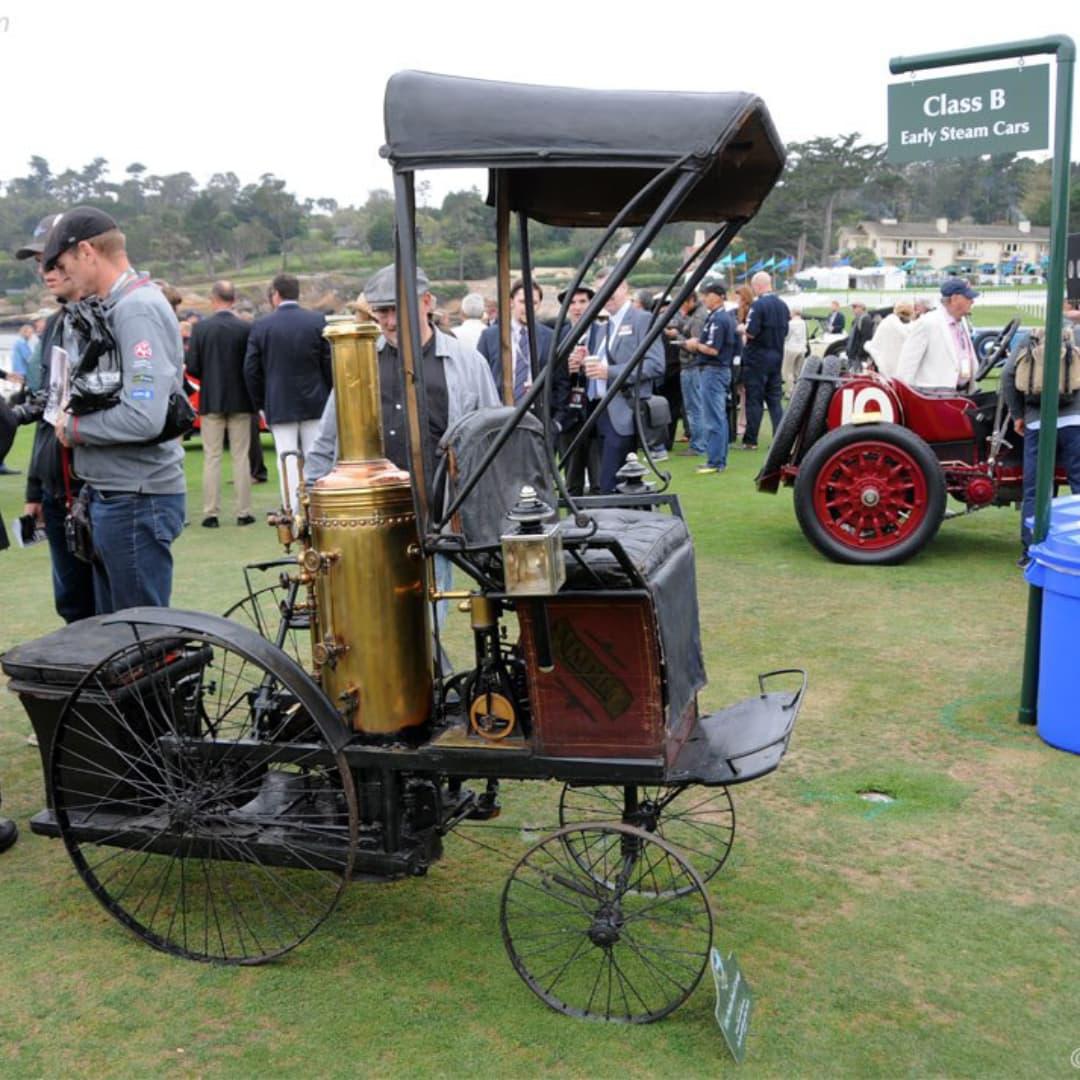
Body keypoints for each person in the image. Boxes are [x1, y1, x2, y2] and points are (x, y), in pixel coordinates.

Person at [305, 264, 498, 623]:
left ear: (427, 302)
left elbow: (493, 439)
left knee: (427, 626)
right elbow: (326, 442)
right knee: (374, 627)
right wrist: (310, 503)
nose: (390, 321)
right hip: (370, 520)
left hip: (437, 517)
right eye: (382, 312)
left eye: (397, 309)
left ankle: (434, 675)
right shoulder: (358, 366)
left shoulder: (467, 363)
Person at [43, 206, 186, 614]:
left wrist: (74, 428)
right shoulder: (114, 305)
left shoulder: (135, 308)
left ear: (87, 251)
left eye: (64, 263)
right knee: (121, 642)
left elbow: (144, 416)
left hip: (136, 497)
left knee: (141, 643)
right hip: (118, 494)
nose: (62, 274)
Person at [16, 212, 96, 623]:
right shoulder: (53, 326)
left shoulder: (109, 318)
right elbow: (45, 409)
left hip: (95, 487)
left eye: (51, 259)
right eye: (38, 263)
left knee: (113, 608)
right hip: (56, 489)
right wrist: (35, 489)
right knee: (72, 606)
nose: (44, 271)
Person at [243, 273, 332, 515]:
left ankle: (292, 510)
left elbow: (251, 369)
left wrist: (260, 402)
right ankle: (319, 508)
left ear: (276, 295)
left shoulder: (262, 325)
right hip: (315, 400)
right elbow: (328, 362)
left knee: (287, 458)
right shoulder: (316, 320)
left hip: (279, 401)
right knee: (317, 455)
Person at [571, 272, 665, 493]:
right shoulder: (602, 328)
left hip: (624, 413)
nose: (608, 294)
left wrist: (609, 372)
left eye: (612, 288)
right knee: (602, 483)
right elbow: (595, 370)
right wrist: (581, 362)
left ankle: (618, 524)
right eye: (602, 290)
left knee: (611, 485)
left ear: (625, 288)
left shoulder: (642, 320)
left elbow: (655, 364)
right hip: (596, 412)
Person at [1004, 300, 1080, 565]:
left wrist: (1017, 416)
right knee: (1078, 487)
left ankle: (1030, 553)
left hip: (1037, 422)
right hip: (1075, 422)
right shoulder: (1078, 335)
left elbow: (1008, 376)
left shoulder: (1031, 336)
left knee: (1036, 491)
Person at [187, 281, 256, 528]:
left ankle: (211, 513)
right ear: (234, 299)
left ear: (213, 298)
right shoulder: (245, 328)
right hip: (240, 398)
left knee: (212, 456)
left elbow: (193, 366)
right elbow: (251, 364)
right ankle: (243, 511)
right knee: (241, 456)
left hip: (212, 398)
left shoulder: (201, 329)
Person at [477, 279, 565, 424]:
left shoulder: (550, 337)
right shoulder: (490, 336)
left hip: (536, 416)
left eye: (534, 303)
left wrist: (556, 423)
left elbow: (561, 381)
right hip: (497, 414)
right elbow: (479, 378)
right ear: (511, 302)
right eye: (523, 302)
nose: (529, 307)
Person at [684, 282, 736, 474]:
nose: (704, 298)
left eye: (708, 295)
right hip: (718, 370)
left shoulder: (718, 319)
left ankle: (715, 461)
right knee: (718, 417)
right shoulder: (723, 317)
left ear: (719, 296)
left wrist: (695, 344)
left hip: (713, 371)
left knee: (713, 418)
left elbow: (713, 349)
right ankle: (718, 459)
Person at [895, 279, 979, 392]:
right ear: (954, 299)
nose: (972, 301)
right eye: (968, 298)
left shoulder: (962, 321)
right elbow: (906, 367)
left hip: (963, 394)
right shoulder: (927, 323)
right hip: (935, 397)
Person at [556, 284, 599, 495]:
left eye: (582, 301)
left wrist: (589, 362)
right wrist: (566, 368)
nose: (577, 307)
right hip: (568, 412)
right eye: (571, 303)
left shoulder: (602, 332)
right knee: (572, 480)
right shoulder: (557, 335)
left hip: (596, 411)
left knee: (599, 478)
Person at [740, 271, 789, 450]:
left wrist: (741, 329)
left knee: (754, 400)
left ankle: (751, 439)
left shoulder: (758, 305)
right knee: (775, 401)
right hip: (776, 357)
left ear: (758, 286)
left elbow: (751, 331)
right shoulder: (783, 306)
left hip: (757, 359)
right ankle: (780, 439)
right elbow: (785, 332)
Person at [668, 290, 708, 455]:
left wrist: (678, 337)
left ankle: (698, 445)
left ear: (690, 300)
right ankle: (700, 443)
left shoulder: (698, 318)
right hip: (694, 366)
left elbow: (695, 345)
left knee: (694, 407)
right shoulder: (697, 314)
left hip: (692, 365)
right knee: (696, 407)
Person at [866, 301, 914, 378]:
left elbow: (874, 345)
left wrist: (867, 345)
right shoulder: (915, 327)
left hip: (886, 367)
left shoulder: (886, 323)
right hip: (905, 370)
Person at [782, 308, 807, 395]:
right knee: (798, 371)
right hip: (801, 348)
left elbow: (787, 336)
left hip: (791, 348)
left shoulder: (790, 323)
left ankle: (790, 391)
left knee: (788, 371)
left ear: (793, 313)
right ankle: (800, 390)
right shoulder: (803, 322)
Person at [846, 301, 874, 370]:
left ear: (862, 308)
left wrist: (859, 354)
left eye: (855, 307)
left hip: (858, 358)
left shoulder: (866, 319)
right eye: (852, 307)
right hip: (852, 356)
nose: (853, 309)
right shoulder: (856, 320)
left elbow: (866, 339)